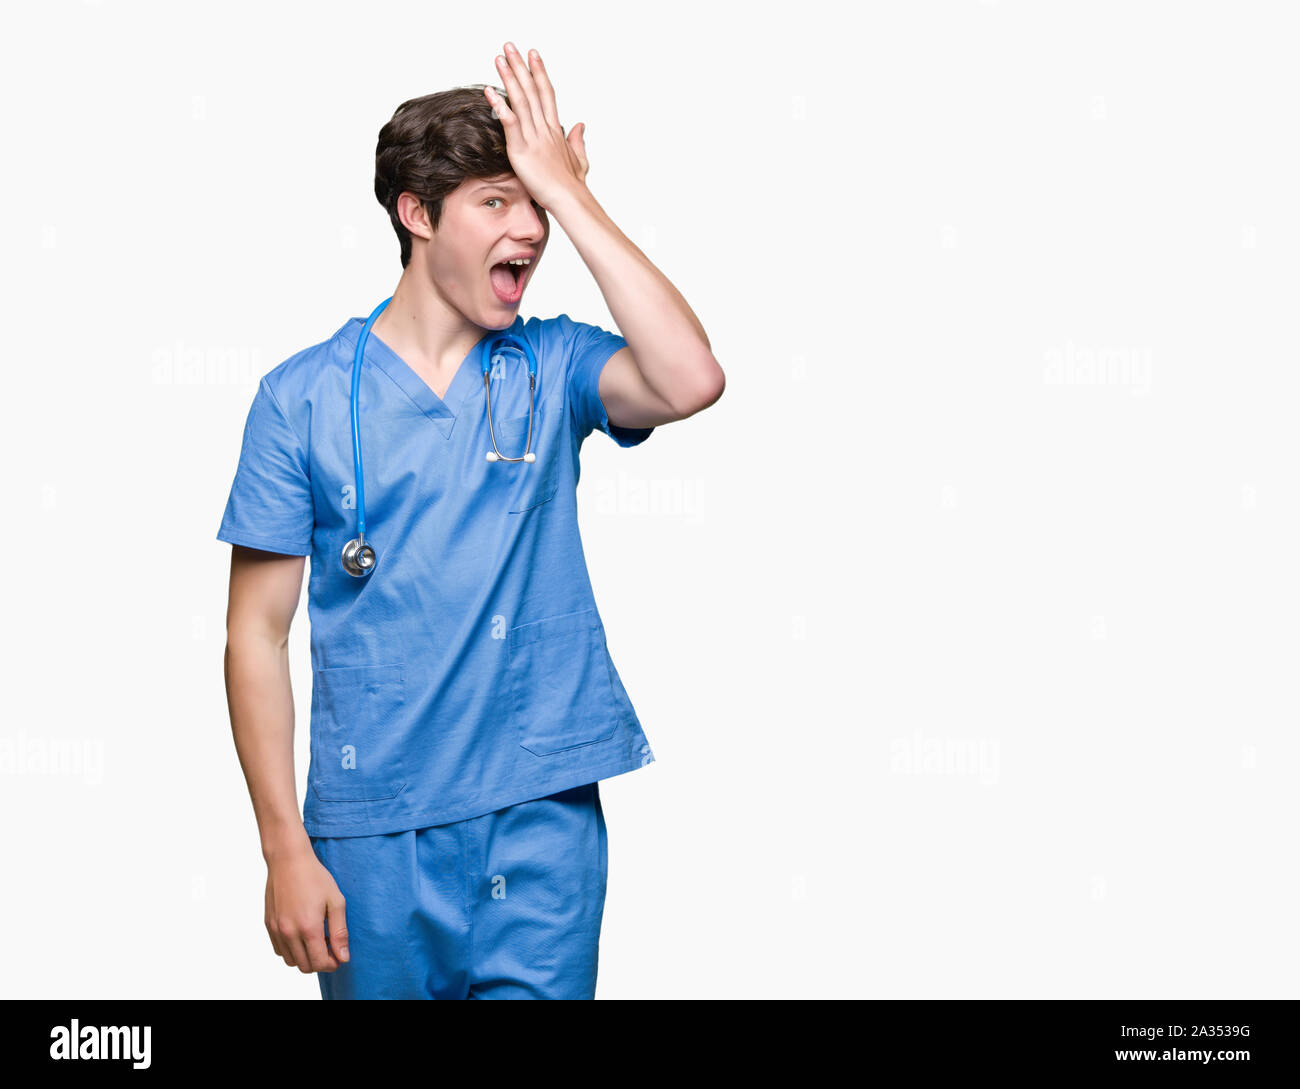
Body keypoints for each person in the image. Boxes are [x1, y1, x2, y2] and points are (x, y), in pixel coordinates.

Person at [216, 42, 724, 1000]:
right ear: (417, 214)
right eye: (498, 201)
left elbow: (691, 378)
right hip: (372, 834)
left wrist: (570, 195)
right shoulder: (303, 400)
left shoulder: (554, 367)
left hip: (539, 820)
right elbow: (255, 633)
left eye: (532, 205)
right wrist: (283, 845)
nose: (526, 228)